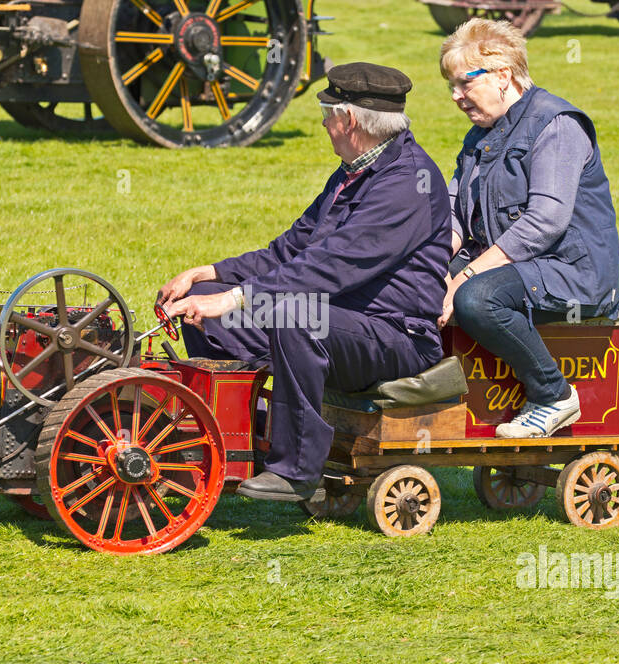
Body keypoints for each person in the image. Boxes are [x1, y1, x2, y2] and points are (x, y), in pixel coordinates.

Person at [160, 63, 451, 501]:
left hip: (396, 335)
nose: (323, 122)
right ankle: (238, 440)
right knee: (206, 307)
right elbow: (290, 251)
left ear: (349, 120)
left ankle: (295, 471)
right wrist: (212, 276)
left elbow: (328, 268)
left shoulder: (409, 182)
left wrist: (237, 298)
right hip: (344, 321)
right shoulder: (353, 169)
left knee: (294, 313)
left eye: (326, 112)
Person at [439, 19, 619, 439]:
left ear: (503, 75)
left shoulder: (556, 124)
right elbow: (453, 212)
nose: (455, 96)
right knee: (413, 280)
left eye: (463, 83)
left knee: (478, 300)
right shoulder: (479, 136)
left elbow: (546, 221)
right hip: (520, 264)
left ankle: (553, 395)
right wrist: (431, 267)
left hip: (571, 271)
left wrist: (463, 275)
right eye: (449, 85)